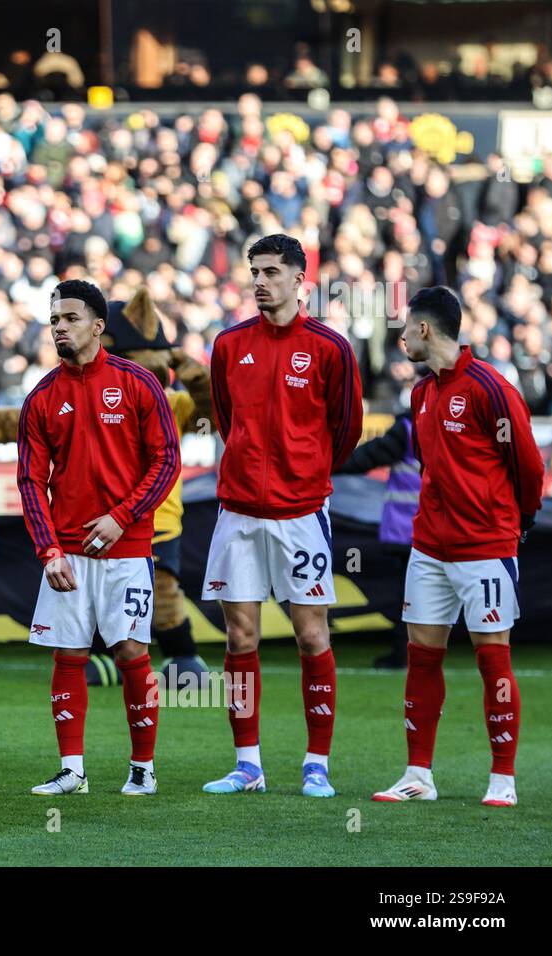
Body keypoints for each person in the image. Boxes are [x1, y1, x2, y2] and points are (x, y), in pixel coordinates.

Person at [200, 233, 363, 798]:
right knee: (240, 636)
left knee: (311, 634)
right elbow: (225, 418)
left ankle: (316, 762)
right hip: (238, 510)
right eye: (255, 271)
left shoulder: (329, 347)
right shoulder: (228, 345)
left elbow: (347, 430)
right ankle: (248, 765)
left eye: (272, 272)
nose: (260, 281)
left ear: (300, 279)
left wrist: (306, 470)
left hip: (302, 513)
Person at [373, 287, 544, 807]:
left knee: (493, 659)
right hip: (429, 548)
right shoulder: (421, 394)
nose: (400, 337)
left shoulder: (491, 388)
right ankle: (418, 775)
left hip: (485, 547)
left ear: (425, 329)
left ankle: (503, 779)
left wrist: (520, 519)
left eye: (405, 327)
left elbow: (529, 465)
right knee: (421, 657)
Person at [18, 280, 179, 796]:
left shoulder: (137, 383)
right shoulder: (42, 396)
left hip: (127, 550)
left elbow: (167, 460)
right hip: (65, 552)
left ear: (98, 325)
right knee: (68, 656)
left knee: (132, 653)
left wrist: (121, 517)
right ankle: (73, 771)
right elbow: (29, 481)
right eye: (54, 319)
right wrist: (48, 550)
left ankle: (143, 769)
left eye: (69, 318)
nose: (59, 327)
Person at [336, 412, 420, 668]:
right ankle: (410, 653)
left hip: (410, 529)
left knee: (410, 597)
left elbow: (365, 458)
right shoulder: (466, 422)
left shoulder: (409, 426)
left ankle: (404, 654)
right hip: (449, 529)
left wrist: (319, 463)